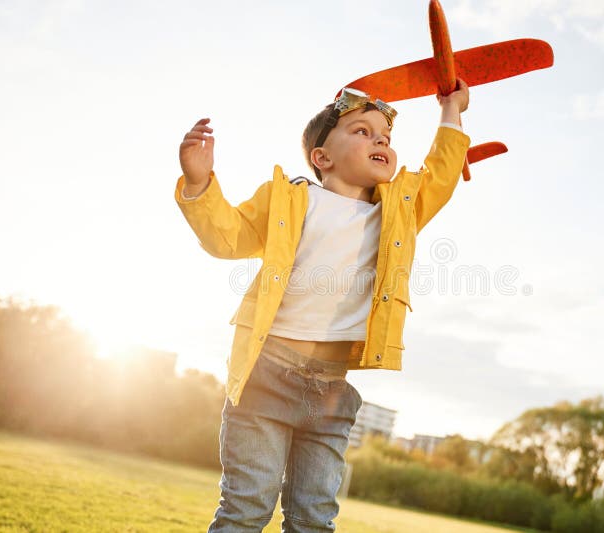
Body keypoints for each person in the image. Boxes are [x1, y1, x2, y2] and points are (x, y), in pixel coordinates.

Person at [175, 79, 470, 532]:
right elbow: (226, 238)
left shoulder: (398, 212)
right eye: (363, 131)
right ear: (322, 157)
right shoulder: (289, 199)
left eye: (386, 137)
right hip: (266, 376)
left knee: (313, 519)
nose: (380, 141)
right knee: (246, 508)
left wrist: (451, 111)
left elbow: (441, 175)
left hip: (333, 392)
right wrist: (199, 184)